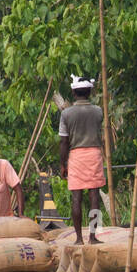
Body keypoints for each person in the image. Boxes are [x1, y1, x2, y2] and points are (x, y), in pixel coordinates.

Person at [58, 74, 108, 244]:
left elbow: (64, 142)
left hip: (76, 156)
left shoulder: (66, 114)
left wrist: (63, 164)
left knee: (76, 197)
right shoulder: (98, 111)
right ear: (90, 92)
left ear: (73, 93)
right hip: (94, 154)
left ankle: (79, 238)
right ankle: (93, 237)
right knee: (94, 196)